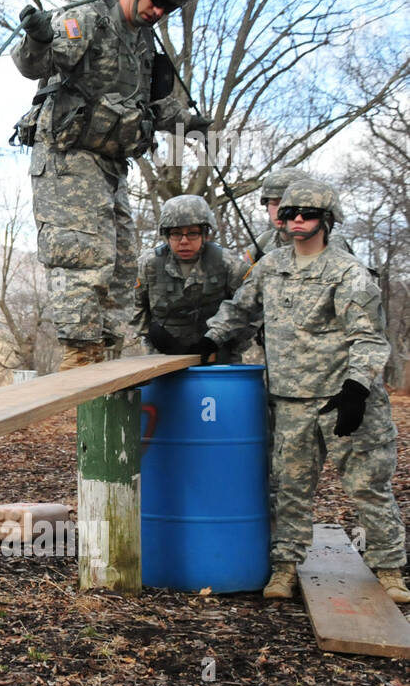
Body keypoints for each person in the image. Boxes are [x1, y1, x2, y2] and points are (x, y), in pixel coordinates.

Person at [201, 179, 408, 602]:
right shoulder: (270, 267)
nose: (296, 220)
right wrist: (205, 341)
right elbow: (240, 312)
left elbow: (368, 338)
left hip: (344, 399)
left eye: (307, 214)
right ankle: (285, 568)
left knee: (368, 486)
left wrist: (356, 389)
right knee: (287, 489)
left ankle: (389, 568)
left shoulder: (348, 272)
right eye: (289, 213)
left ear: (326, 221)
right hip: (289, 401)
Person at [13, 0, 210, 370]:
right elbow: (34, 64)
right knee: (82, 250)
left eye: (169, 8)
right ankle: (80, 352)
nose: (159, 11)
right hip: (68, 155)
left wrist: (188, 123)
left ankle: (107, 347)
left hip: (112, 164)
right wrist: (38, 36)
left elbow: (153, 107)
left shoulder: (143, 44)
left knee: (122, 260)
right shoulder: (88, 18)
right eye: (156, 0)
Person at [133, 194, 249, 359]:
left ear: (205, 234)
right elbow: (135, 310)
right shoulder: (148, 264)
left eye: (193, 233)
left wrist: (218, 339)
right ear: (166, 235)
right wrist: (151, 335)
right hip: (162, 356)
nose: (184, 241)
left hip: (217, 354)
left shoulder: (228, 263)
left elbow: (248, 307)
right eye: (176, 233)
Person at [249, 168, 353, 262]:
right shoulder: (263, 242)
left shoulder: (328, 242)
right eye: (275, 203)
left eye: (289, 206)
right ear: (266, 205)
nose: (281, 211)